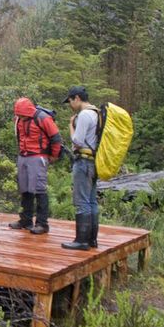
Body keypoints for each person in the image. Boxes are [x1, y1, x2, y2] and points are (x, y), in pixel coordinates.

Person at [8, 97, 63, 234]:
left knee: (39, 190)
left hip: (38, 156)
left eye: (21, 114)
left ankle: (42, 224)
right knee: (25, 189)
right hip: (23, 156)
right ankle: (25, 220)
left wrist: (54, 156)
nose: (19, 117)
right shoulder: (19, 120)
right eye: (18, 114)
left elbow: (56, 138)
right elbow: (20, 137)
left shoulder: (43, 118)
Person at [61, 85, 100, 250]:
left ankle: (82, 241)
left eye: (70, 101)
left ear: (77, 98)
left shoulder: (84, 115)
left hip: (83, 161)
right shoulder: (97, 113)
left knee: (82, 201)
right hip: (94, 162)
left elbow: (77, 141)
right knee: (91, 201)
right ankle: (92, 240)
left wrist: (71, 125)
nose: (70, 104)